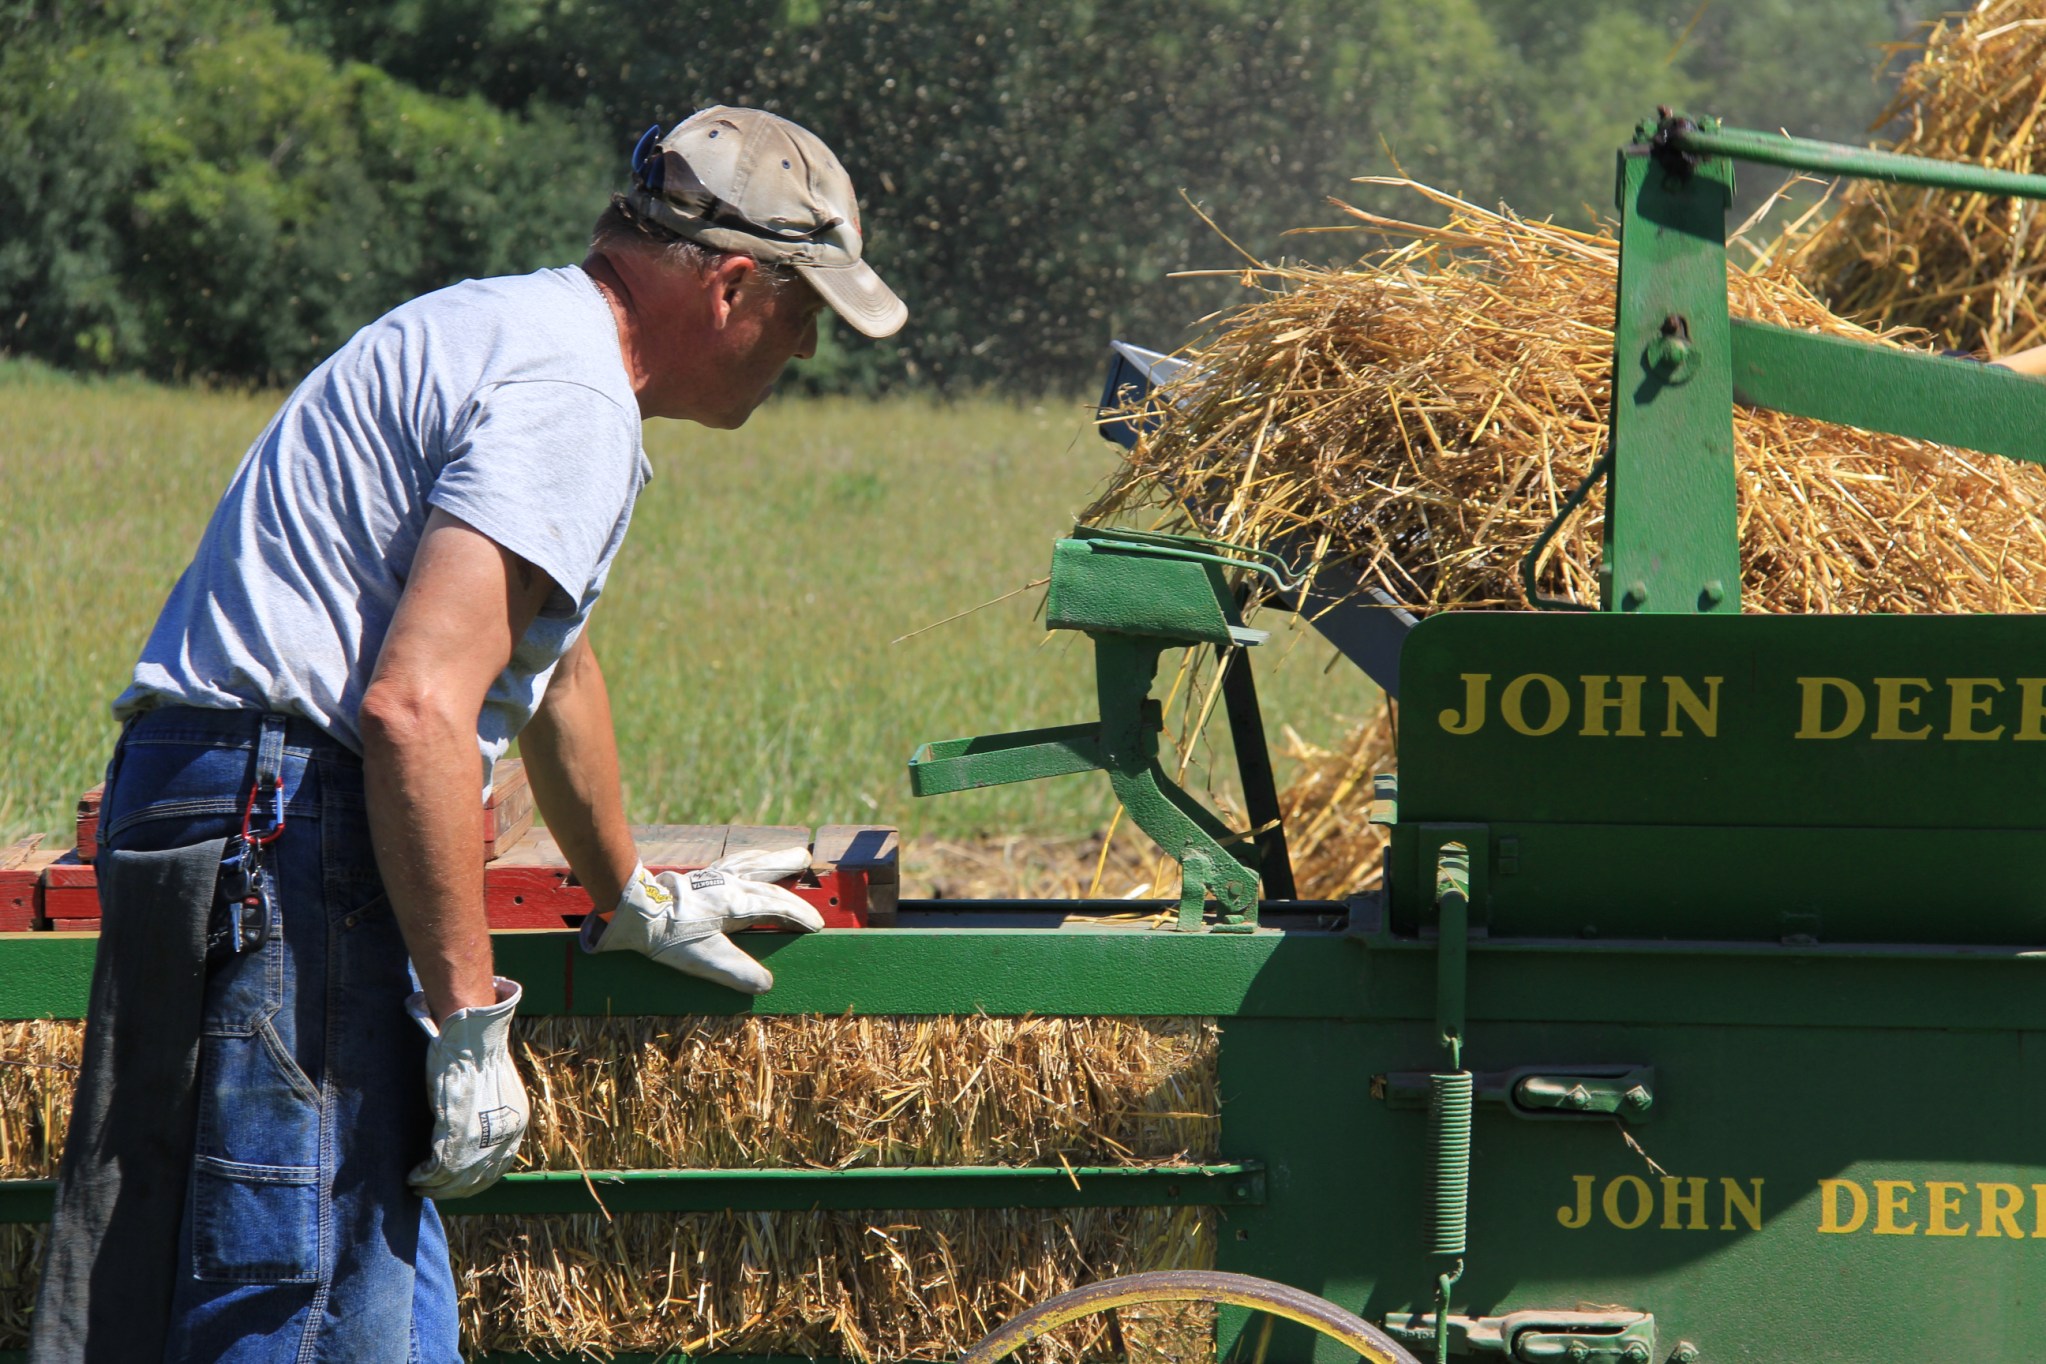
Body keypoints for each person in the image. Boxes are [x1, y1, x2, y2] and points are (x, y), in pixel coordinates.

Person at [30, 105, 906, 1363]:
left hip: (216, 790)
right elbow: (418, 703)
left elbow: (550, 664)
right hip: (292, 820)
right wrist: (467, 1022)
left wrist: (635, 897)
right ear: (728, 286)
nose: (811, 345)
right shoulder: (571, 397)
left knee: (359, 1284)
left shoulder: (509, 325)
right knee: (302, 1286)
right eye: (807, 308)